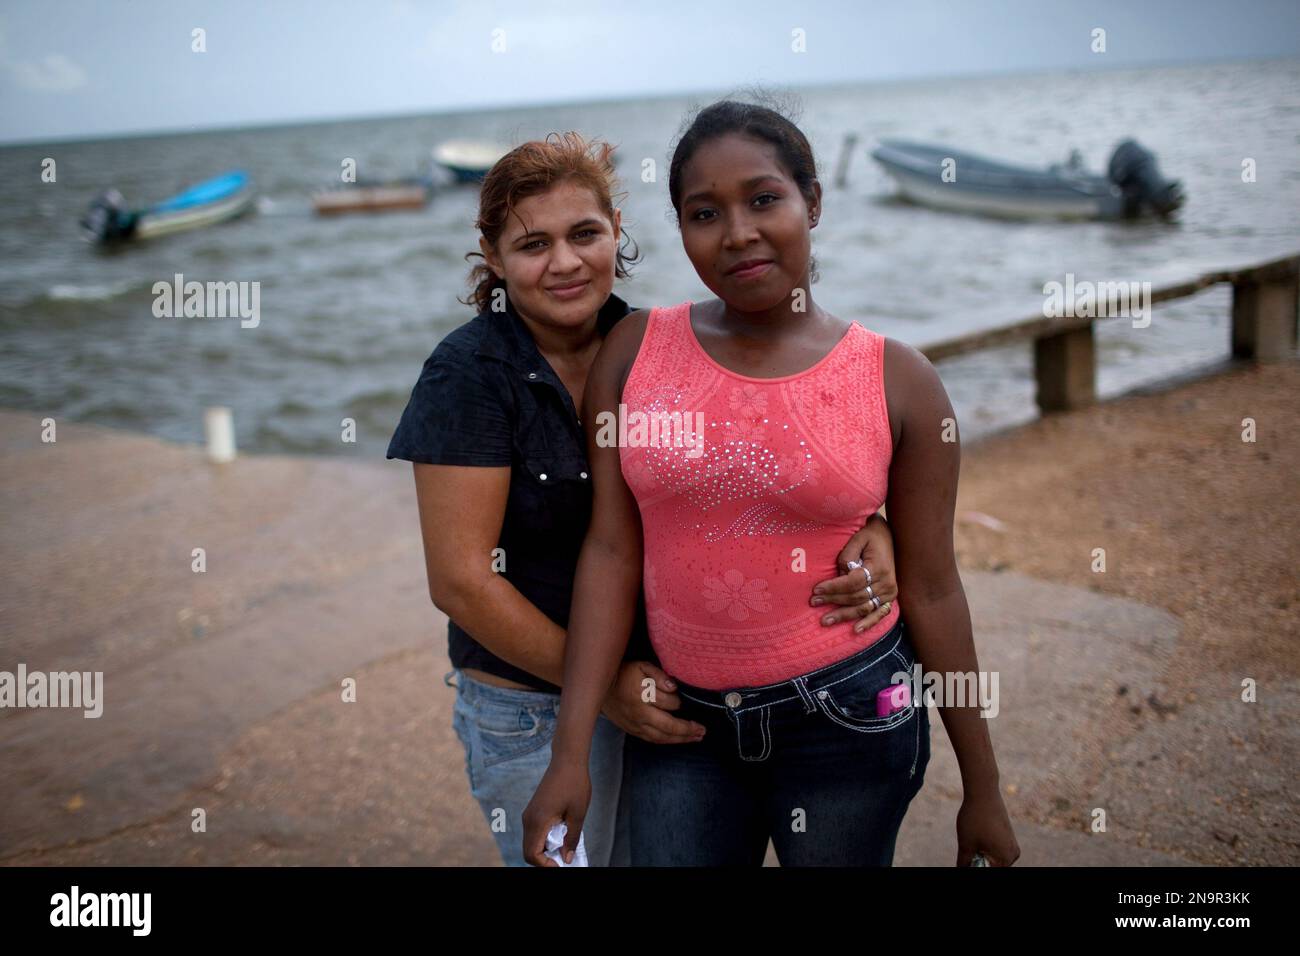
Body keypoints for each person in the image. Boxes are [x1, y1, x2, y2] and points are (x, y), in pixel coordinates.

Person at [523, 101, 1021, 867]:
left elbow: (933, 590)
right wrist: (569, 752)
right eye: (703, 212)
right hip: (682, 728)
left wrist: (984, 790)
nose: (738, 233)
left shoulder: (899, 381)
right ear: (679, 228)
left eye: (764, 199)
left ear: (812, 202)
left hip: (848, 717)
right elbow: (612, 551)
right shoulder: (633, 353)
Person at [386, 131, 904, 866]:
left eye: (585, 234)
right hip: (532, 709)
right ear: (495, 258)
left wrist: (870, 525)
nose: (565, 262)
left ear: (616, 235)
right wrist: (599, 689)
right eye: (534, 245)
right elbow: (462, 581)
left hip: (662, 694)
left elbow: (755, 474)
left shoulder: (653, 350)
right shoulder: (468, 375)